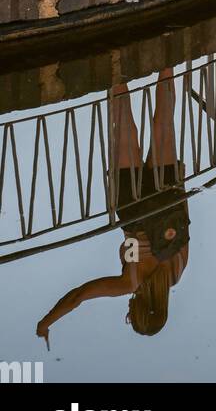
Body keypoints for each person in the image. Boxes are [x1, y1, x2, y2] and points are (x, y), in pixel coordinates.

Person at [36, 68, 190, 342]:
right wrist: (46, 322)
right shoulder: (129, 283)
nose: (127, 310)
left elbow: (184, 224)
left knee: (164, 120)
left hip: (168, 196)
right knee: (123, 123)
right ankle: (116, 58)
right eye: (132, 314)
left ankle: (167, 52)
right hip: (131, 207)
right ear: (141, 307)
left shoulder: (177, 270)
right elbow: (79, 295)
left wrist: (180, 185)